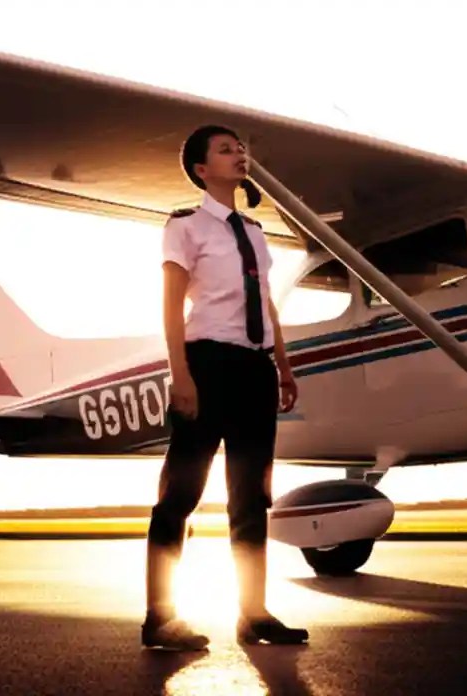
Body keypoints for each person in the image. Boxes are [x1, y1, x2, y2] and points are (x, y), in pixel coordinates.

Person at [141, 124, 309, 651]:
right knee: (181, 495)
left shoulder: (255, 231)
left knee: (252, 497)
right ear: (201, 169)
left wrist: (282, 365)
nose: (240, 155)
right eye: (226, 149)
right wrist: (180, 374)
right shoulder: (184, 227)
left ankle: (253, 614)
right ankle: (160, 618)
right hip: (207, 364)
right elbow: (170, 306)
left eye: (242, 148)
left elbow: (266, 304)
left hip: (254, 370)